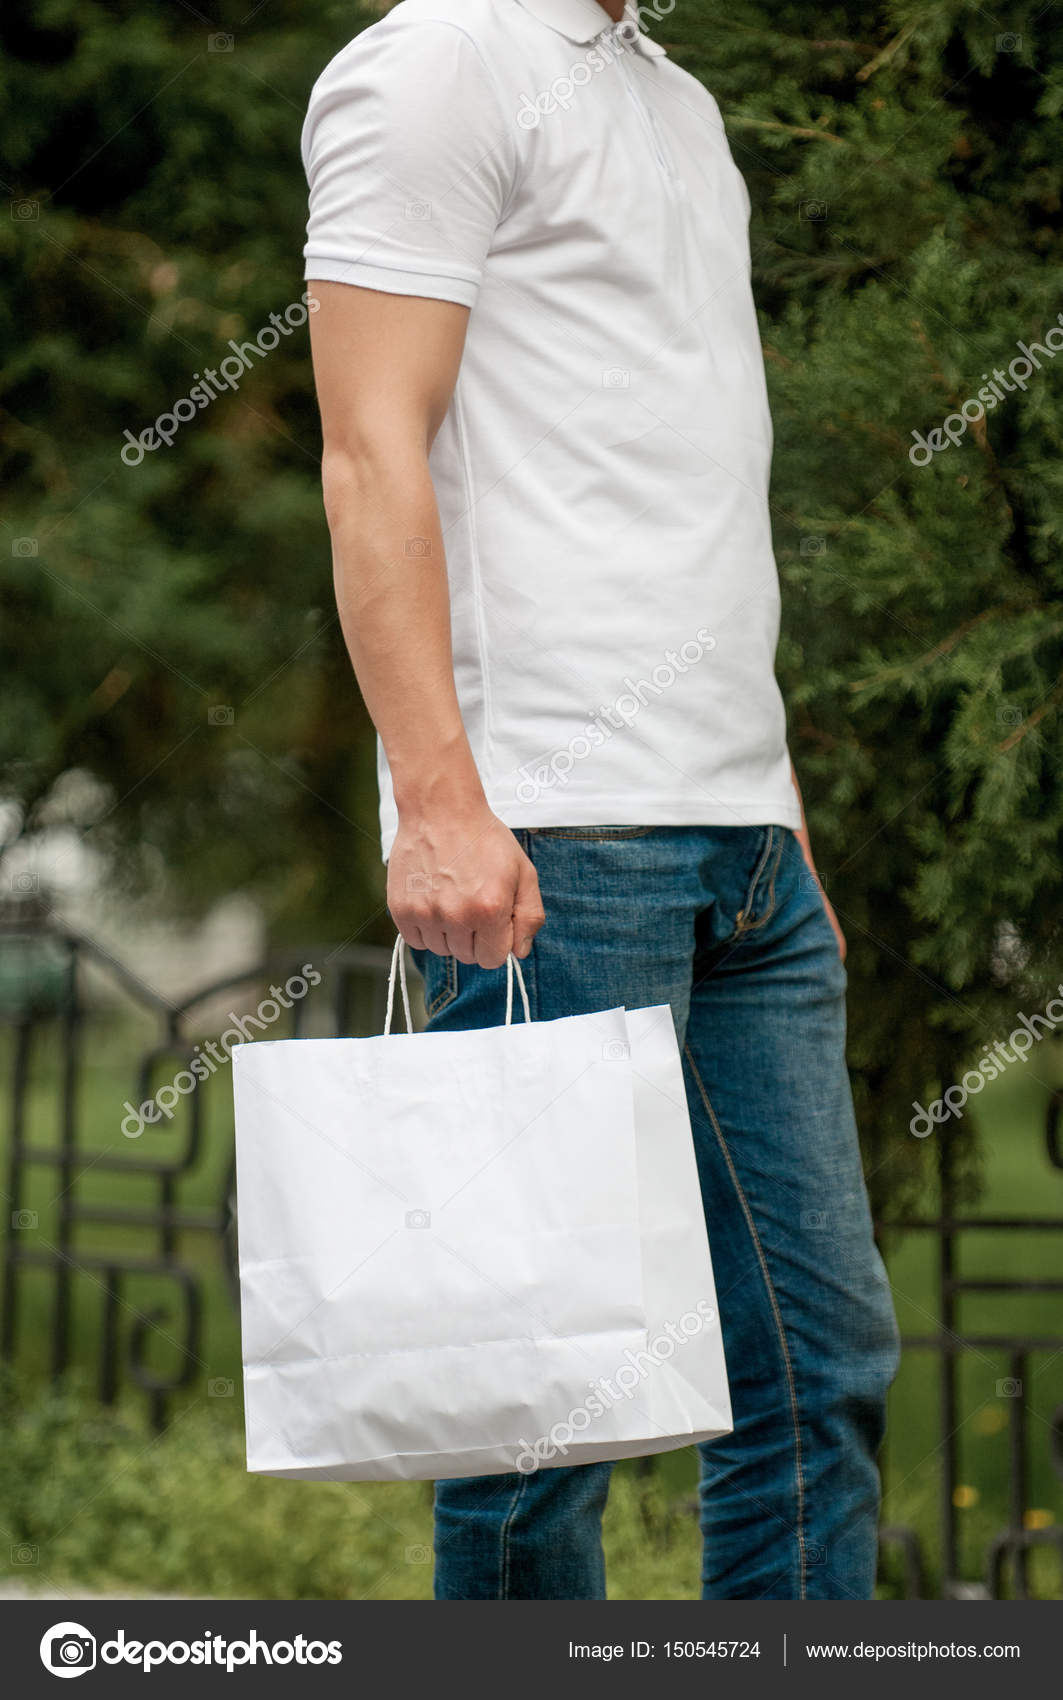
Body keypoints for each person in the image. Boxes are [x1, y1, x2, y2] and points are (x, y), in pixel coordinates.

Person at [302, 0, 900, 1600]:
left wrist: (779, 815)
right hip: (549, 840)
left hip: (745, 849)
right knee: (534, 1424)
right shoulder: (439, 60)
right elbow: (369, 448)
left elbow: (693, 490)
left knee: (815, 1372)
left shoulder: (673, 98)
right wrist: (436, 798)